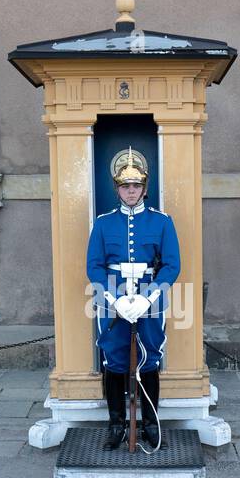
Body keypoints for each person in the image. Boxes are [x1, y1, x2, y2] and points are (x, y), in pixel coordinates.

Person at [86, 147, 181, 450]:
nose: (131, 191)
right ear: (117, 189)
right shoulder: (103, 223)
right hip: (111, 296)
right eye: (125, 186)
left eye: (136, 186)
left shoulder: (162, 222)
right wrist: (114, 300)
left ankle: (150, 422)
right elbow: (94, 266)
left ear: (144, 188)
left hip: (149, 295)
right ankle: (116, 424)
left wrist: (148, 298)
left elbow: (171, 265)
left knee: (149, 359)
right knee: (113, 360)